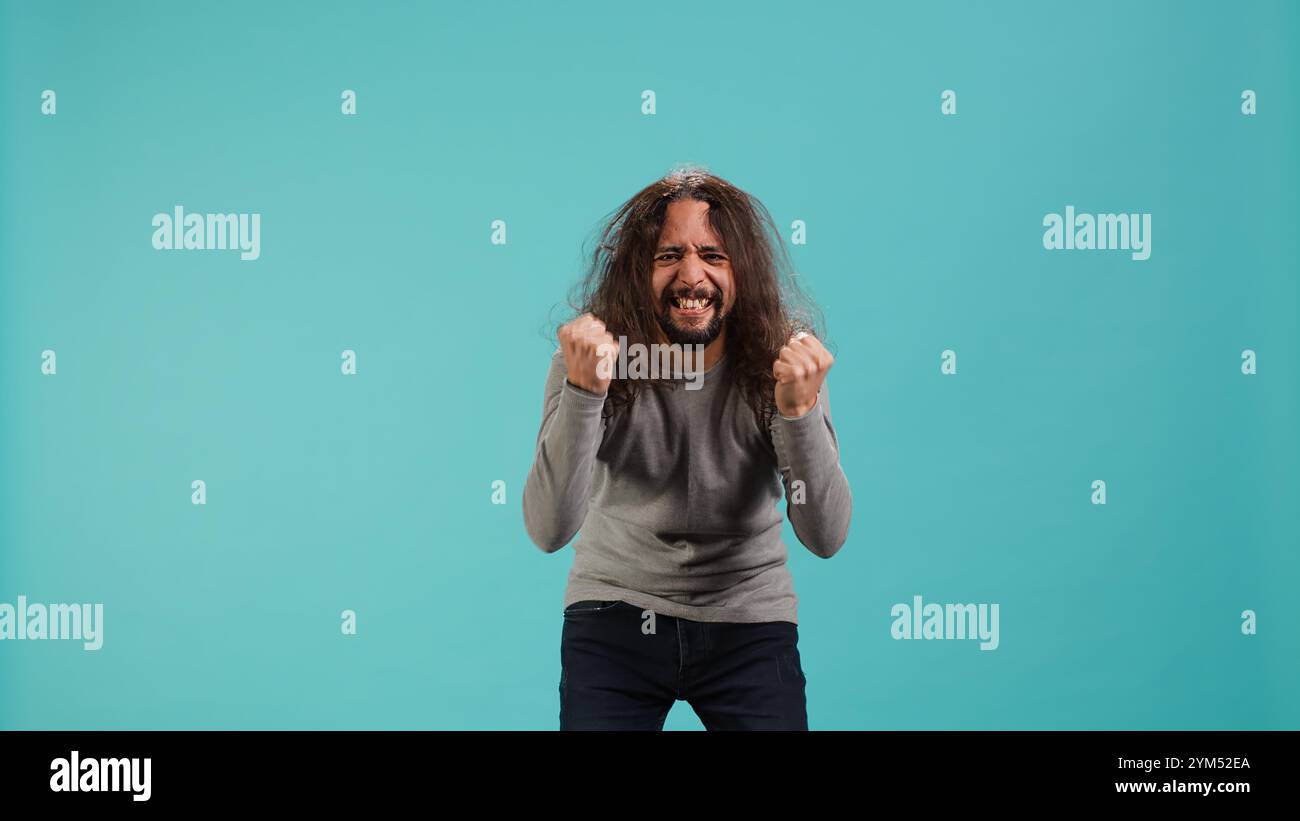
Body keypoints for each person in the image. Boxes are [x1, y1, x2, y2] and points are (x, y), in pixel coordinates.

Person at [522, 166, 853, 730]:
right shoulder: (589, 357)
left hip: (747, 618)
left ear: (741, 271)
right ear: (636, 271)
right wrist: (584, 391)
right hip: (615, 611)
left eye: (714, 256)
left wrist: (797, 412)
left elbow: (826, 537)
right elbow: (548, 530)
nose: (691, 275)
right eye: (668, 255)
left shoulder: (782, 362)